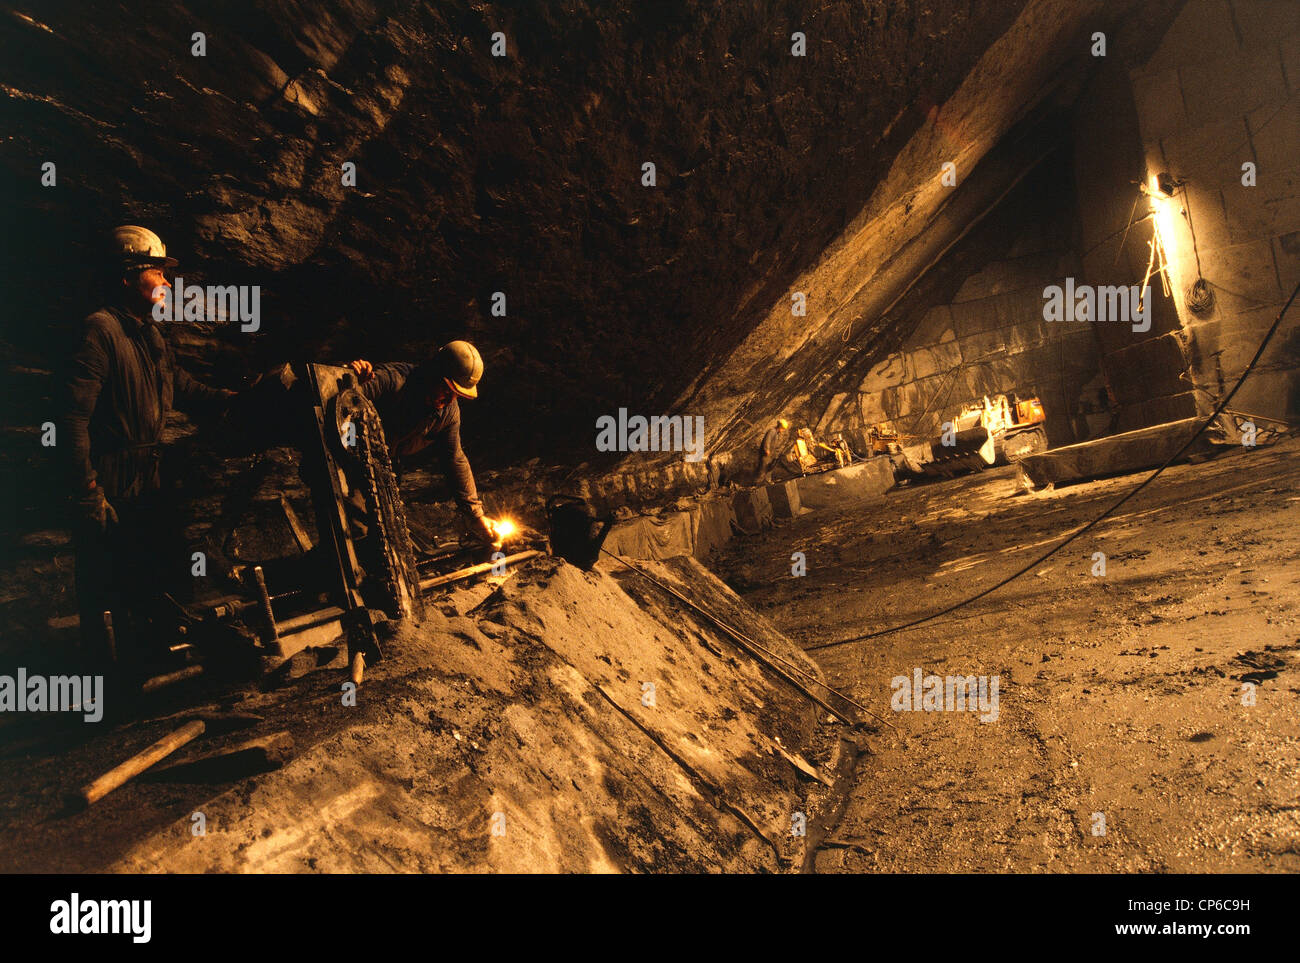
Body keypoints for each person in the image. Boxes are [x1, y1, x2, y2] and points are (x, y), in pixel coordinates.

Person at [63, 225, 234, 675]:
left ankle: (155, 671)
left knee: (153, 573)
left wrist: (238, 400)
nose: (167, 283)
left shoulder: (149, 334)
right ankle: (110, 690)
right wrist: (88, 492)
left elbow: (183, 387)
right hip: (112, 477)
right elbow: (73, 420)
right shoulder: (99, 330)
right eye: (156, 272)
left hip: (150, 476)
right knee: (107, 583)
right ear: (125, 278)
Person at [346, 341, 498, 547]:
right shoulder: (393, 381)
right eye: (447, 389)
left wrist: (476, 516)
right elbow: (340, 399)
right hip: (349, 461)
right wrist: (352, 377)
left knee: (386, 531)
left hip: (384, 467)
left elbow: (454, 459)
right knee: (357, 531)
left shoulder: (448, 413)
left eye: (457, 394)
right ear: (433, 372)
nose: (451, 399)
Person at [754, 417, 791, 485]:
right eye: (782, 429)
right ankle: (756, 484)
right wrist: (767, 449)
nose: (782, 430)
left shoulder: (776, 433)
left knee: (766, 469)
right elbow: (767, 440)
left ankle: (763, 482)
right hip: (765, 454)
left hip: (769, 455)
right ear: (779, 426)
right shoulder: (772, 431)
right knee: (762, 469)